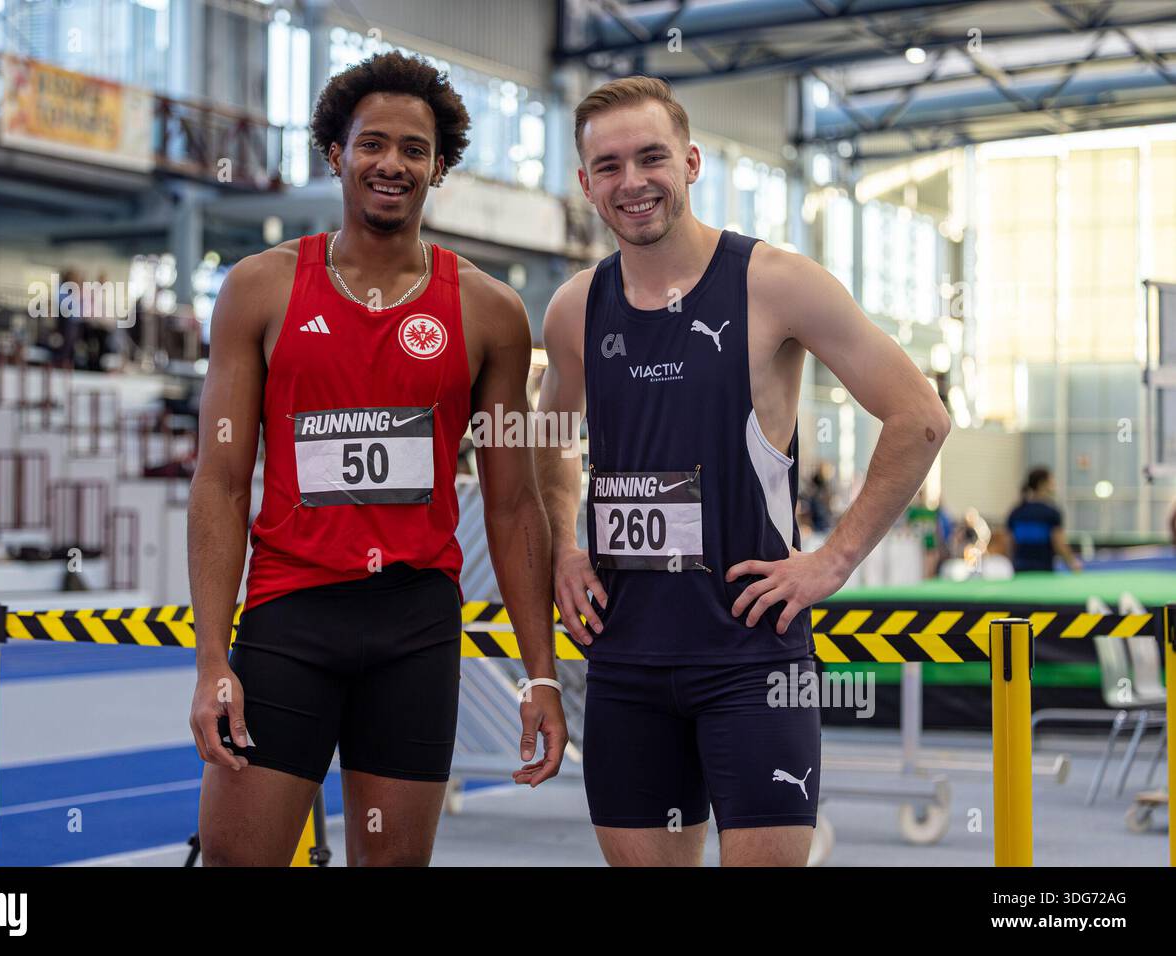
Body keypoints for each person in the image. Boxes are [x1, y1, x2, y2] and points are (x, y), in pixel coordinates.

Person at [533, 76, 951, 867]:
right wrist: (565, 543)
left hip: (751, 662)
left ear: (690, 162)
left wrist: (834, 559)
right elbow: (548, 433)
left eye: (652, 157)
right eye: (610, 165)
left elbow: (920, 417)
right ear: (585, 184)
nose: (633, 182)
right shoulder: (572, 310)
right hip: (623, 662)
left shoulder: (775, 283)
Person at [188, 51, 564, 867]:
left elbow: (513, 505)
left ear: (439, 168)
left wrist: (541, 674)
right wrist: (213, 657)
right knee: (235, 860)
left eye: (414, 150)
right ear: (336, 152)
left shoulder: (492, 313)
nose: (392, 164)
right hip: (291, 614)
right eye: (372, 144)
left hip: (414, 627)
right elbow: (220, 480)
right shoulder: (261, 289)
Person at [1005, 466, 1081, 573]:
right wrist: (1072, 562)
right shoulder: (1051, 513)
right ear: (1042, 483)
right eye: (1051, 481)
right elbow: (1058, 542)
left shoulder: (1016, 512)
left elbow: (1009, 544)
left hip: (1020, 571)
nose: (1054, 485)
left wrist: (1012, 563)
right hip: (1043, 571)